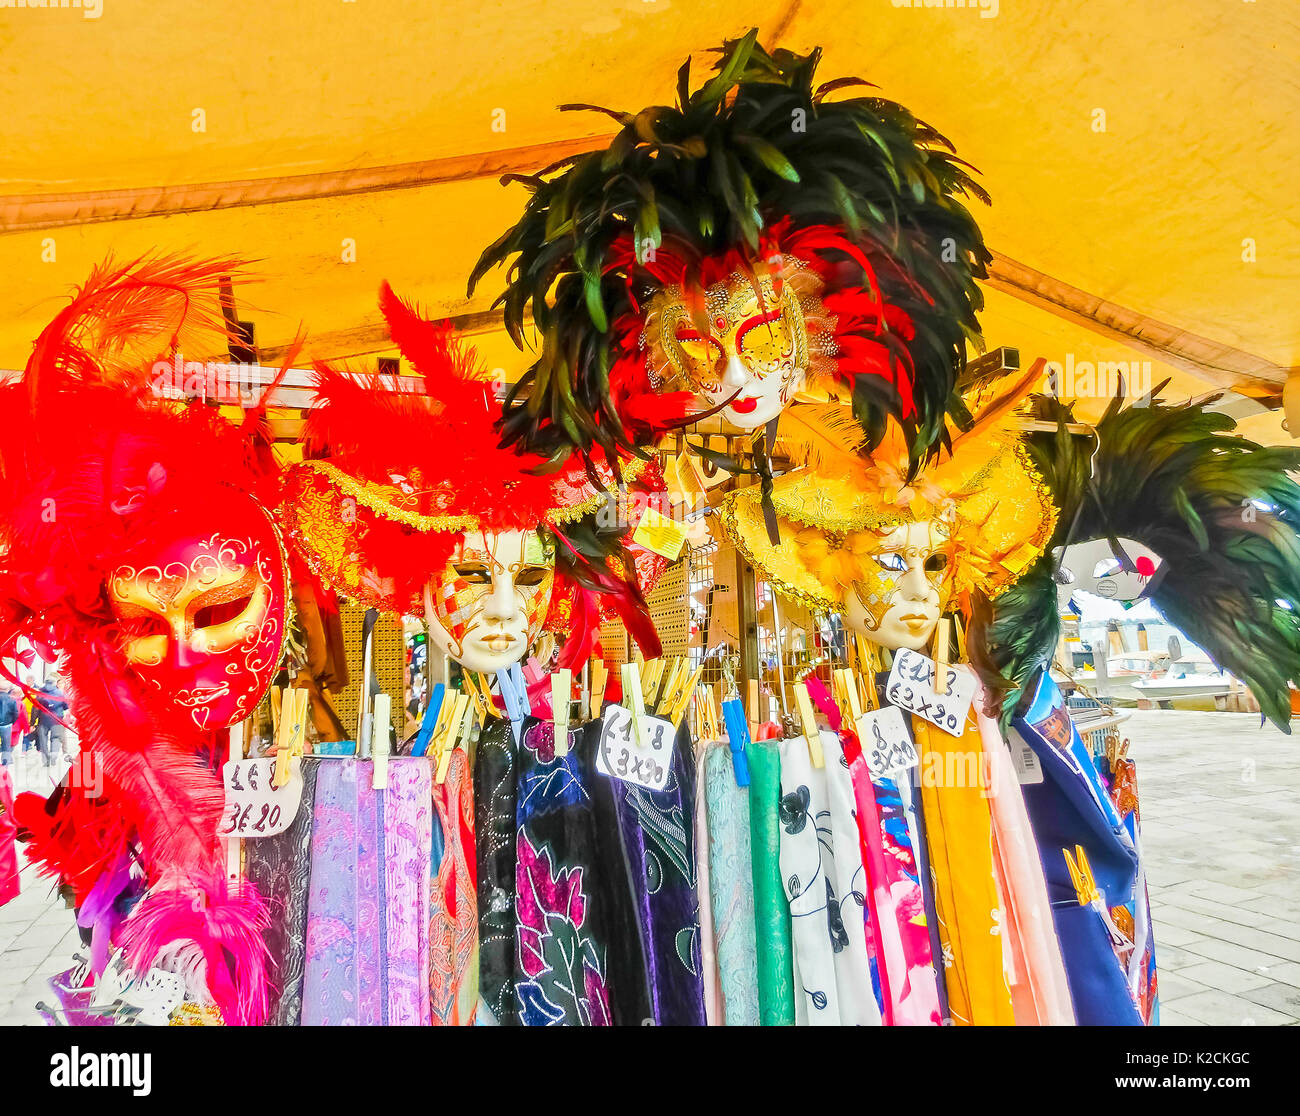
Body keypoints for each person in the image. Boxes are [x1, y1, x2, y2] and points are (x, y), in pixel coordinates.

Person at [33, 679, 69, 770]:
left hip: (42, 719)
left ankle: (46, 760)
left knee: (43, 740)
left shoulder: (40, 693)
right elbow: (66, 706)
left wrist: (32, 722)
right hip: (57, 719)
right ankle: (53, 757)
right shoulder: (60, 693)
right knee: (56, 739)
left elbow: (35, 709)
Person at [0, 684, 16, 767]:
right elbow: (15, 713)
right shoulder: (12, 700)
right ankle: (5, 763)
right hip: (7, 725)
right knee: (6, 745)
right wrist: (12, 722)